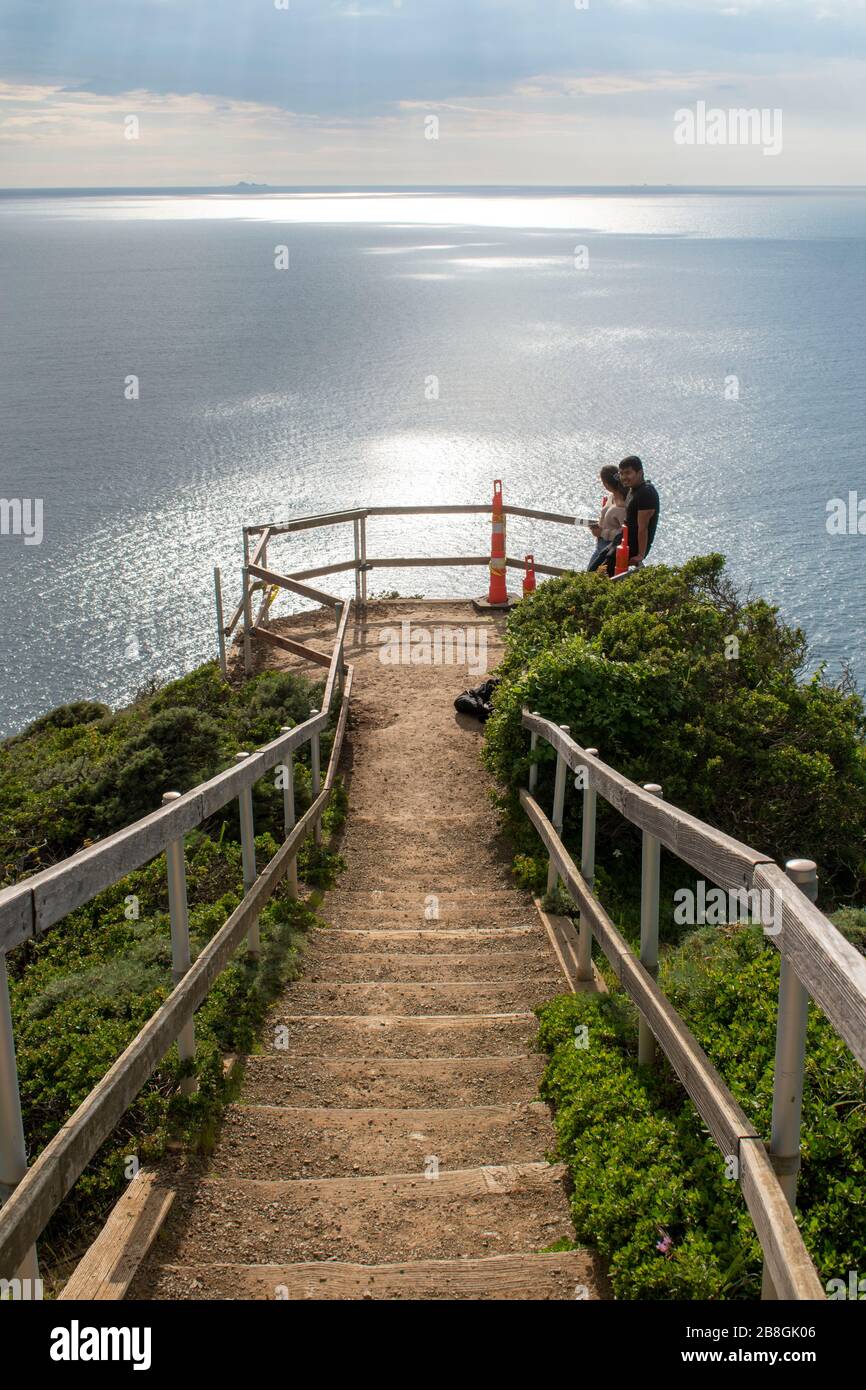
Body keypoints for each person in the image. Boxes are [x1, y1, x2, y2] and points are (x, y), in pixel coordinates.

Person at [605, 455, 659, 575]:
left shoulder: (646, 493)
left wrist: (640, 554)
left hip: (630, 546)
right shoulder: (633, 489)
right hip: (621, 540)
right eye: (621, 473)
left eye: (628, 473)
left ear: (640, 473)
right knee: (595, 568)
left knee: (604, 574)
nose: (624, 477)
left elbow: (643, 527)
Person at [587, 466, 628, 572]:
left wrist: (602, 533)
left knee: (593, 577)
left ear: (606, 484)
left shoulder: (622, 506)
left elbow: (624, 534)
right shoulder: (612, 497)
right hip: (601, 545)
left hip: (609, 548)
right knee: (591, 576)